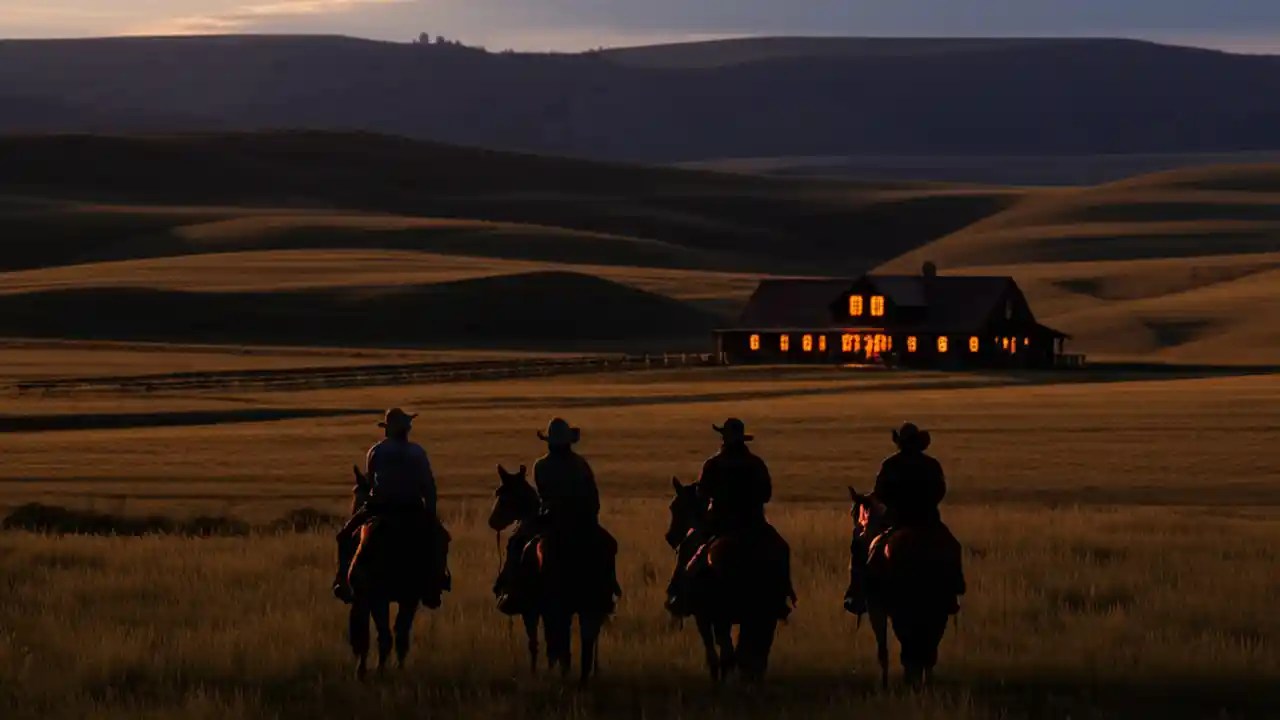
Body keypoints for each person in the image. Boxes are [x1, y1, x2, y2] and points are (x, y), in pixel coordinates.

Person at [666, 418, 795, 620]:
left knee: (690, 553)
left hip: (721, 525)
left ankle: (680, 597)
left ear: (724, 438)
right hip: (755, 525)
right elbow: (767, 494)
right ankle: (782, 598)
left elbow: (702, 494)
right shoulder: (756, 463)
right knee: (781, 549)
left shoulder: (713, 464)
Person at [494, 418, 621, 615]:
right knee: (609, 545)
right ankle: (608, 589)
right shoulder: (581, 464)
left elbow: (544, 496)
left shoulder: (541, 465)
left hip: (551, 521)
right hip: (583, 522)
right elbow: (593, 498)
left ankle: (512, 591)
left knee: (516, 544)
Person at [332, 408, 451, 607]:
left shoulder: (376, 451)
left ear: (388, 430)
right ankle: (436, 582)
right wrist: (430, 514)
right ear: (406, 430)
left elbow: (370, 484)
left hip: (381, 508)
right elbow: (429, 487)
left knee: (344, 536)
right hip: (413, 508)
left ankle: (344, 582)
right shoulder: (418, 452)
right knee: (441, 539)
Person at [844, 422, 963, 615]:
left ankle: (860, 595)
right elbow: (940, 491)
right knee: (952, 547)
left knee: (868, 551)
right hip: (929, 521)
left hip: (898, 521)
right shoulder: (931, 464)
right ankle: (952, 594)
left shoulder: (890, 465)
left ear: (900, 443)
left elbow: (881, 493)